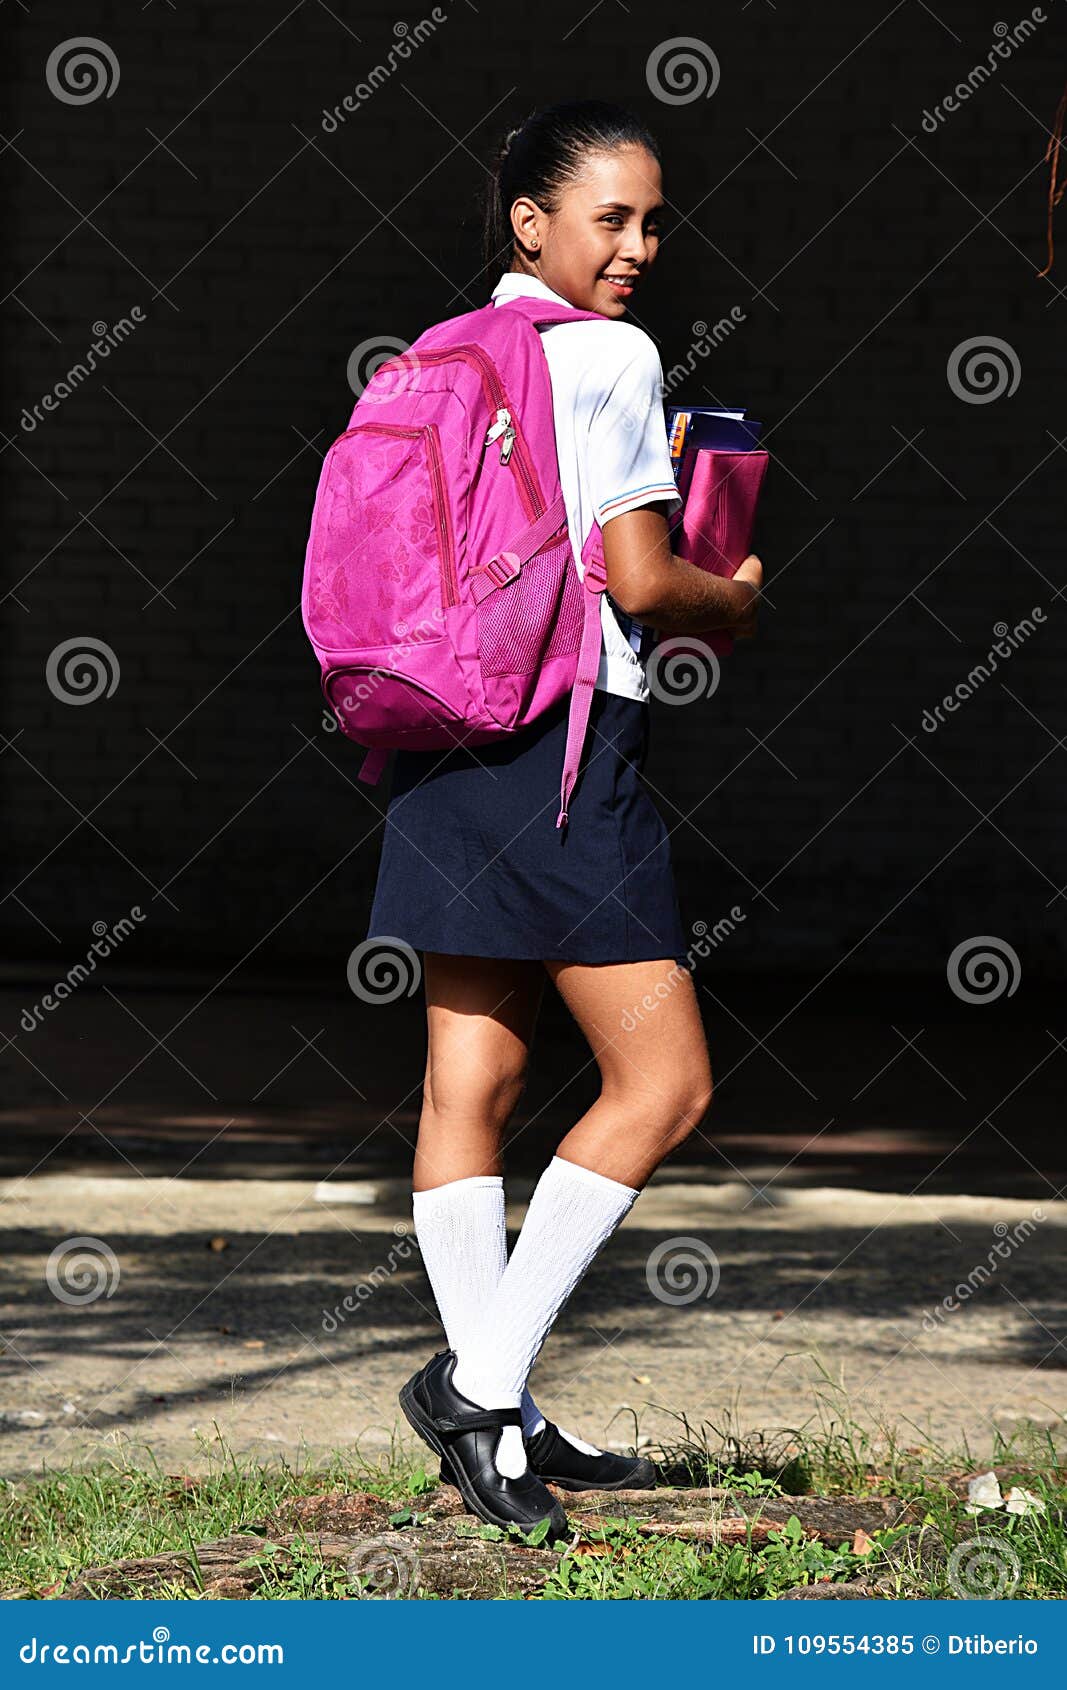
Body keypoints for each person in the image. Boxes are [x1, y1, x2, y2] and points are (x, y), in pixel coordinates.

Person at [368, 99, 763, 1541]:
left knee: (464, 1086)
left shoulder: (440, 353)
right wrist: (740, 594)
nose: (640, 247)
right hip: (563, 754)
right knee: (665, 1082)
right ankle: (478, 1384)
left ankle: (505, 1427)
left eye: (654, 221)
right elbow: (646, 582)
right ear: (531, 222)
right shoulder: (614, 357)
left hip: (440, 741)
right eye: (612, 218)